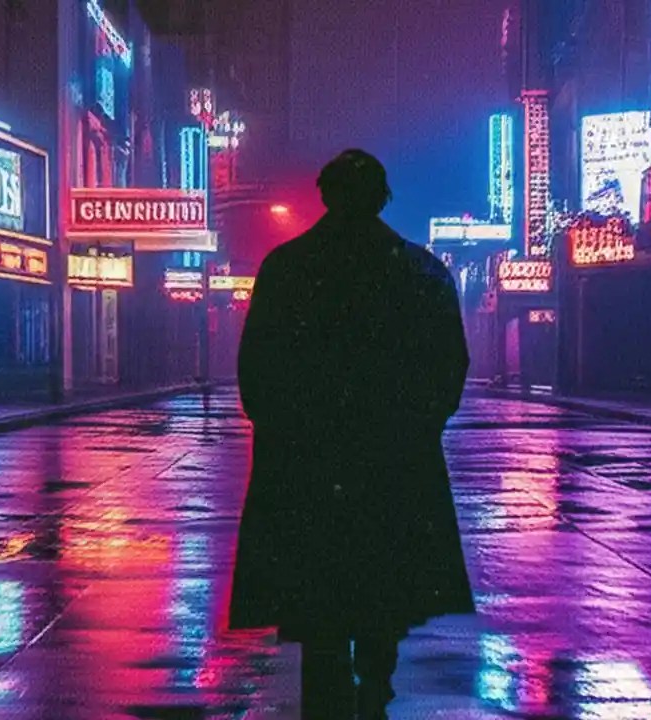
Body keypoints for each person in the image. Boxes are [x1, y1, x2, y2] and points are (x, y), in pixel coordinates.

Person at [227, 150, 474, 719]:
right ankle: (375, 681)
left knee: (318, 593)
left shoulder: (286, 267)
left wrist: (282, 427)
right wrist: (420, 424)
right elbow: (450, 364)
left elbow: (256, 367)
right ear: (382, 197)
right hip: (394, 459)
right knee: (384, 582)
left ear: (326, 195)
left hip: (307, 462)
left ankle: (330, 690)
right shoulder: (421, 270)